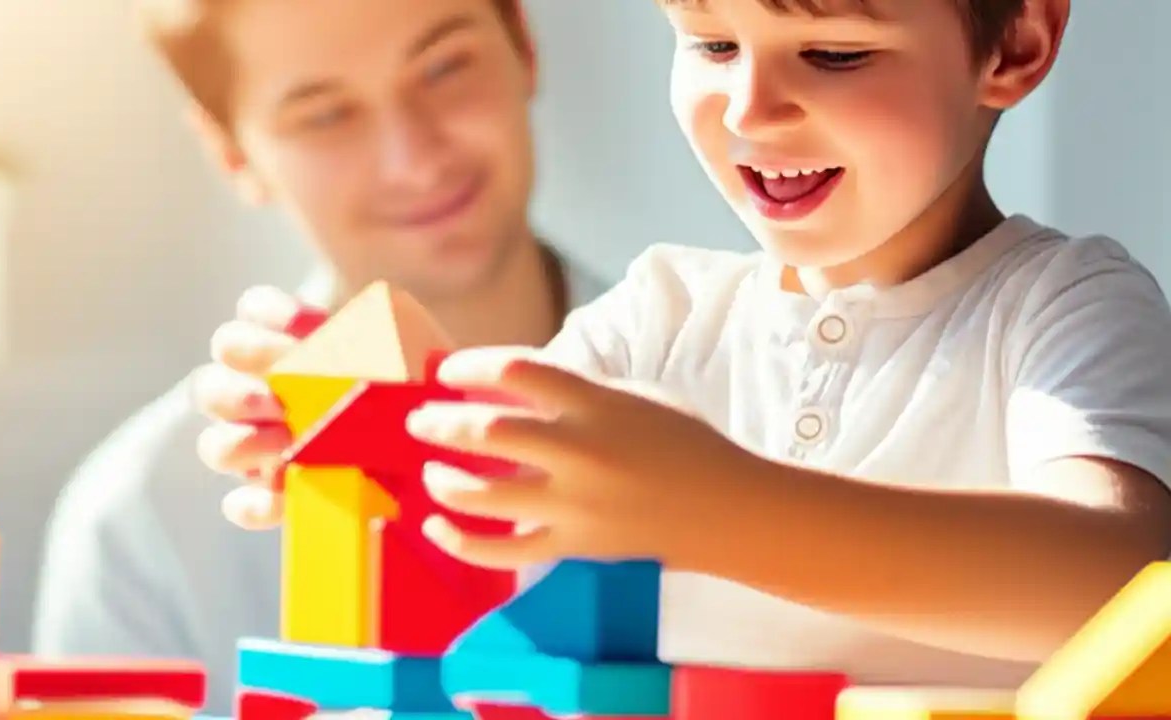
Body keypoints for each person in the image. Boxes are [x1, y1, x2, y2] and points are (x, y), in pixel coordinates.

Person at [200, 0, 1171, 691]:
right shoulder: (657, 315)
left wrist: (720, 512)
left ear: (1015, 42)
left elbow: (1123, 580)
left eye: (832, 52)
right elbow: (489, 499)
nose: (749, 109)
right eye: (711, 43)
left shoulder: (1059, 306)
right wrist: (387, 421)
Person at [30, 0, 606, 713]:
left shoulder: (717, 413)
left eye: (445, 66)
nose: (413, 159)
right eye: (325, 115)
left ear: (522, 44)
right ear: (233, 154)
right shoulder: (141, 522)